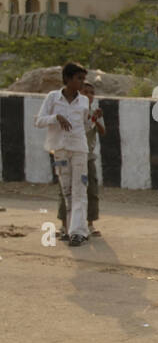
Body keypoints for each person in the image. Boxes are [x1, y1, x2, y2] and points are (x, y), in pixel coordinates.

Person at [36, 63, 90, 246]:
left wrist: (94, 119)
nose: (82, 83)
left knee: (79, 189)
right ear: (67, 79)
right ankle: (74, 229)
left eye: (83, 79)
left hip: (79, 149)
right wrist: (56, 118)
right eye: (79, 78)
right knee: (67, 191)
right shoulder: (53, 97)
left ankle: (77, 232)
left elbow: (86, 125)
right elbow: (39, 121)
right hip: (59, 150)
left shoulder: (84, 101)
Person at [55, 79, 105, 237]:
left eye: (92, 93)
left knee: (91, 191)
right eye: (85, 92)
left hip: (87, 157)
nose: (89, 95)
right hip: (69, 155)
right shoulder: (71, 111)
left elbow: (102, 131)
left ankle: (89, 224)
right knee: (66, 191)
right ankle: (65, 225)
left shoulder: (95, 112)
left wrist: (95, 119)